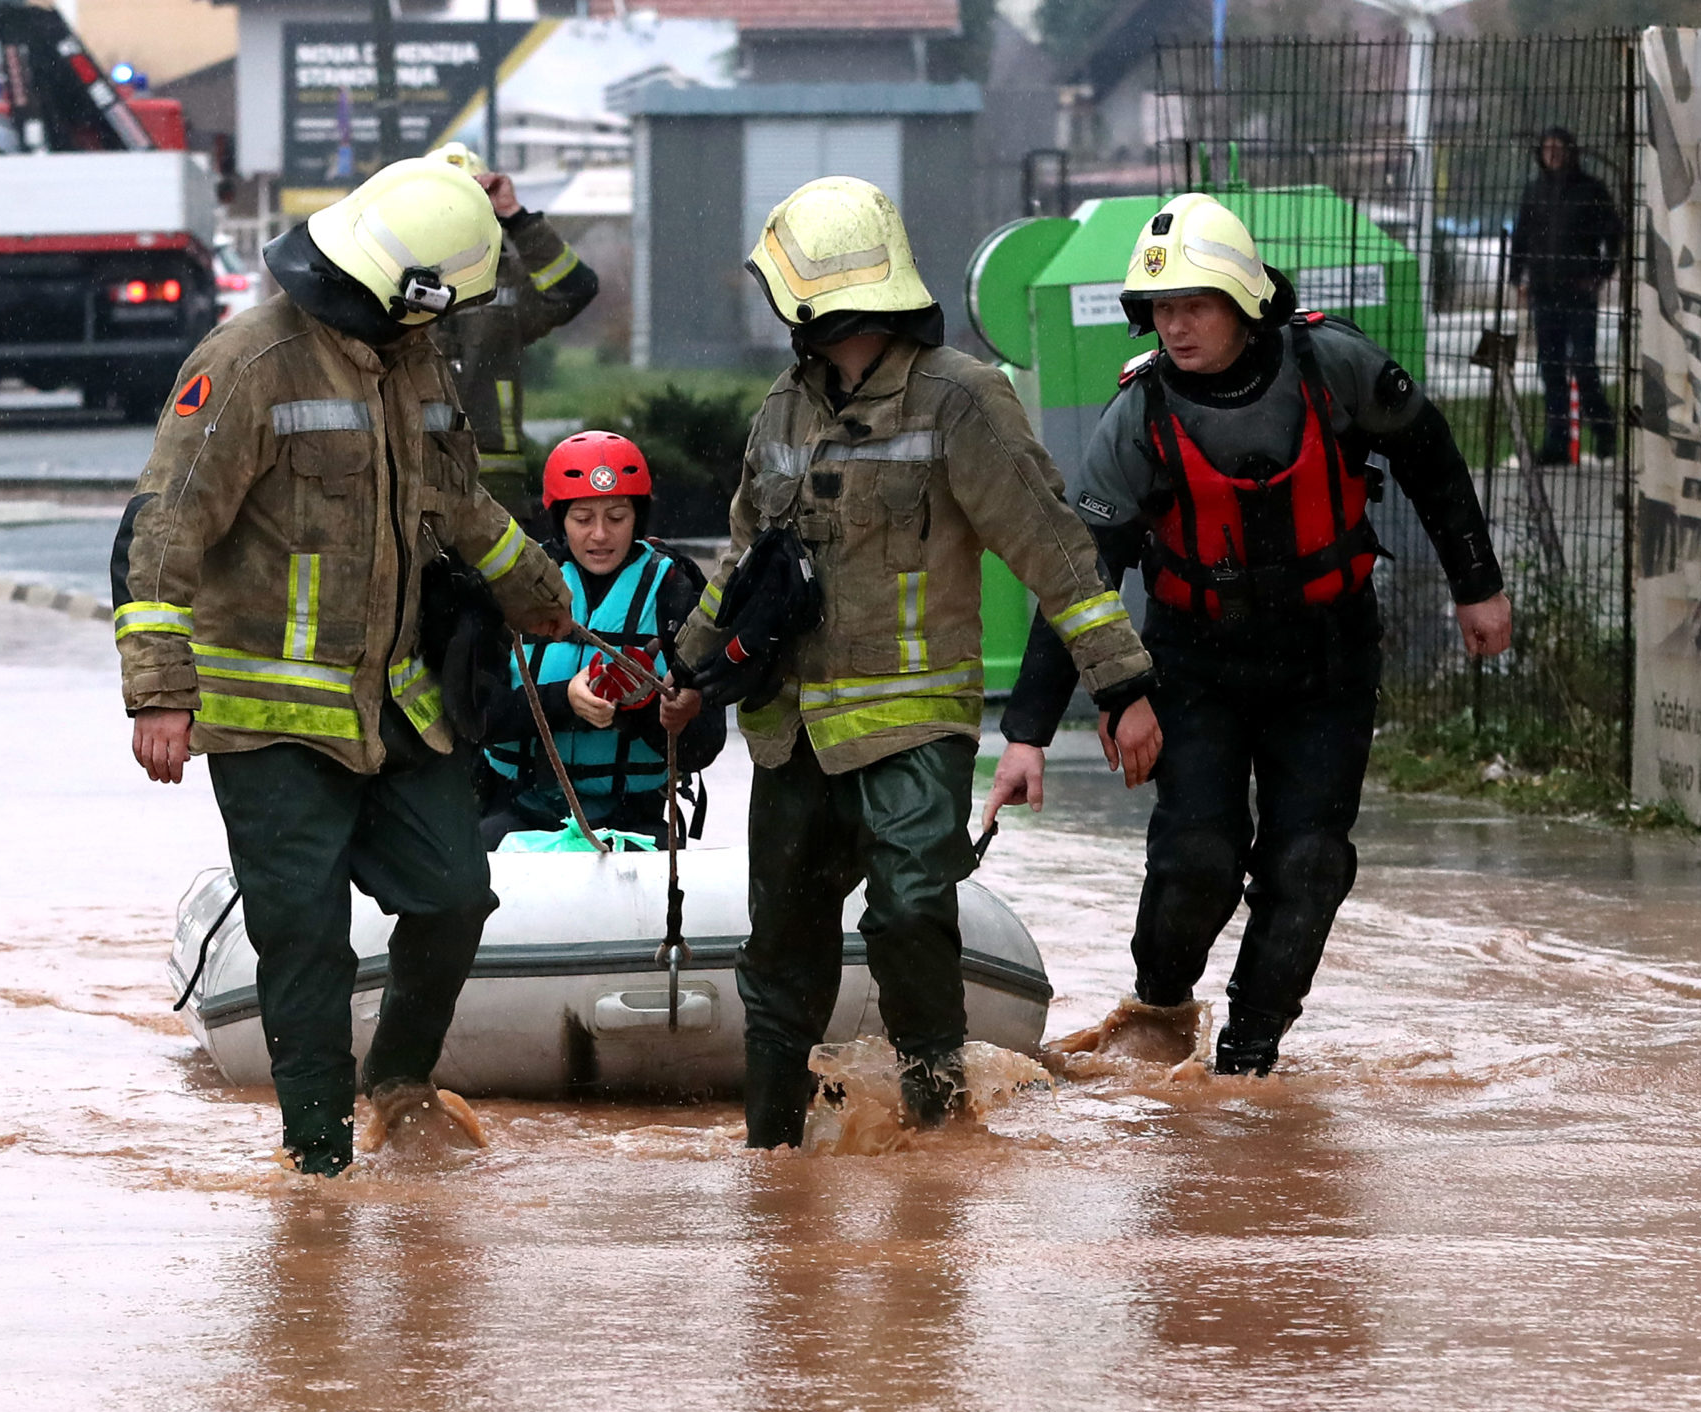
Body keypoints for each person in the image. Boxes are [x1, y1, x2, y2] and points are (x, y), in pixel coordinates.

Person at [111, 155, 582, 1177]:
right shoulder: (242, 365)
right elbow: (164, 532)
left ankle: (399, 1082)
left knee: (456, 895)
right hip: (270, 722)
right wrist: (158, 695)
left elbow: (459, 506)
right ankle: (317, 1161)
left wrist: (543, 601)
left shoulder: (416, 361)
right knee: (305, 940)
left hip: (400, 708)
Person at [671, 175, 1156, 1147]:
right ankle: (769, 1157)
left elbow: (1052, 548)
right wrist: (686, 671)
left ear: (808, 294)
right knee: (779, 958)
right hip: (790, 732)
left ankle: (937, 1130)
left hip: (911, 725)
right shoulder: (781, 411)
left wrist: (1122, 682)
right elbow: (741, 563)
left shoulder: (960, 398)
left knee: (907, 908)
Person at [985, 192, 1511, 1076]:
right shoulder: (1139, 416)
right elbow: (1082, 580)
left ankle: (1246, 1060)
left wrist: (1478, 586)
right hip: (1197, 664)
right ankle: (1157, 1010)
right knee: (1199, 853)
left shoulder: (1333, 365)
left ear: (1243, 299)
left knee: (1309, 861)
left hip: (1328, 658)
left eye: (1195, 305)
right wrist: (1042, 727)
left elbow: (1430, 455)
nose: (1176, 326)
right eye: (1161, 309)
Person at [476, 429, 723, 847]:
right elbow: (476, 718)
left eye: (616, 517)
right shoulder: (516, 587)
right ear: (559, 519)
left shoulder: (676, 593)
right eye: (583, 518)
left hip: (634, 818)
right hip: (518, 811)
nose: (600, 535)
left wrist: (644, 707)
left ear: (638, 518)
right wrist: (564, 700)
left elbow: (704, 746)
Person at [428, 144, 601, 516]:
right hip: (414, 464)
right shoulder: (390, 276)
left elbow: (575, 288)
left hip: (495, 470)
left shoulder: (508, 277)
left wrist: (516, 218)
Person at [1509, 126, 1621, 465]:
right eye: (1547, 148)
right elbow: (1522, 237)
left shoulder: (1590, 190)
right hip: (1544, 292)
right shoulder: (1535, 191)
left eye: (1558, 148)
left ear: (1570, 152)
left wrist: (1601, 272)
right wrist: (1517, 278)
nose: (1552, 154)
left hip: (1578, 293)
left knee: (1583, 363)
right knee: (1551, 367)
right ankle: (1556, 443)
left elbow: (1613, 233)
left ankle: (1603, 428)